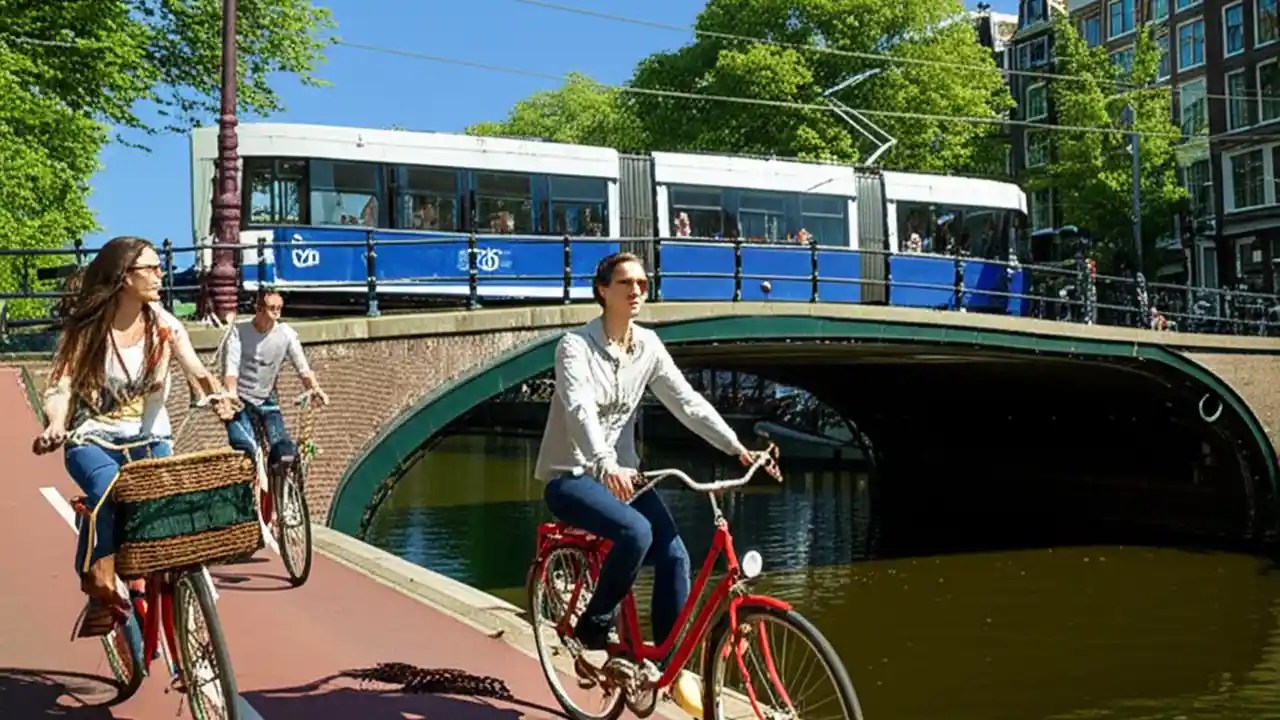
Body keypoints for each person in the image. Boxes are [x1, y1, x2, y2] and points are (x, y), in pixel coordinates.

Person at [534, 252, 779, 709]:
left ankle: (667, 664)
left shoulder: (647, 347)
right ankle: (594, 622)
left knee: (675, 556)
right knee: (636, 531)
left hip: (625, 473)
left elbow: (686, 403)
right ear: (602, 290)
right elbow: (579, 408)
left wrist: (736, 447)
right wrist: (605, 464)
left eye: (643, 284)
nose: (636, 291)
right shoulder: (574, 347)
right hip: (573, 474)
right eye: (626, 283)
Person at [32, 236, 237, 637]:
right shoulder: (87, 331)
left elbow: (196, 368)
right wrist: (56, 424)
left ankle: (182, 588)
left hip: (148, 438)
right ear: (125, 277)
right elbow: (60, 386)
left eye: (160, 267)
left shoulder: (163, 324)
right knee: (108, 487)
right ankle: (98, 585)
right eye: (152, 268)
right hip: (93, 439)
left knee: (173, 507)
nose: (161, 274)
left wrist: (217, 396)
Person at [222, 288, 328, 473]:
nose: (277, 312)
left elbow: (302, 367)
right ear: (259, 308)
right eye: (272, 308)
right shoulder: (239, 332)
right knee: (245, 446)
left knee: (283, 446)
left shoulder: (286, 334)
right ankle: (254, 483)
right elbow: (231, 367)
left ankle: (280, 488)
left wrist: (315, 388)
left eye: (280, 308)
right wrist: (231, 392)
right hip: (241, 398)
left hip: (266, 396)